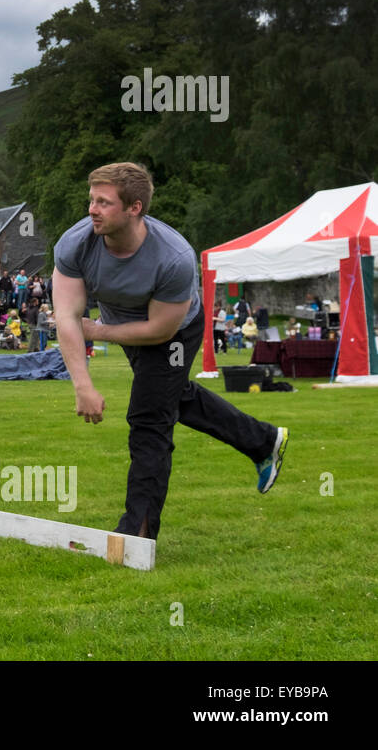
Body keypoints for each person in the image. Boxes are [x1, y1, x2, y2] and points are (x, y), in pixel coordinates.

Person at [52, 162, 288, 541]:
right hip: (124, 325)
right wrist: (83, 385)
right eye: (91, 200)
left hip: (174, 330)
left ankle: (137, 535)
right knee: (170, 395)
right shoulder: (75, 244)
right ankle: (262, 440)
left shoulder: (173, 258)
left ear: (135, 208)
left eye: (104, 202)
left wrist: (99, 331)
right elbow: (66, 315)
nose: (92, 210)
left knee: (149, 417)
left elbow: (158, 329)